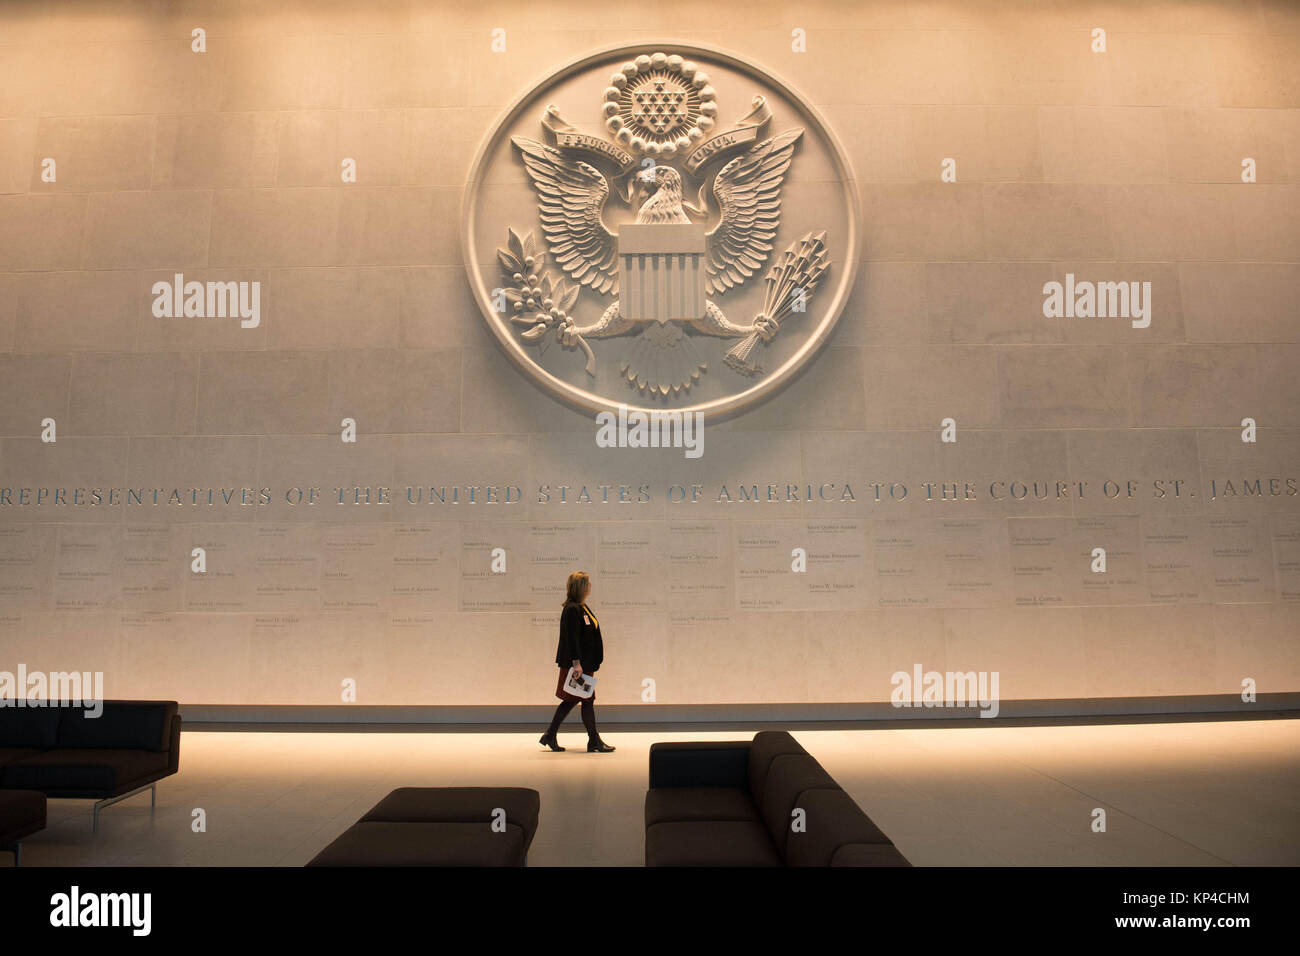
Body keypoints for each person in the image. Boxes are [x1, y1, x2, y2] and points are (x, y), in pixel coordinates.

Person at [539, 571, 615, 753]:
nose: (590, 587)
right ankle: (592, 740)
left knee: (577, 700)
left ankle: (552, 735)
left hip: (585, 664)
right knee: (580, 700)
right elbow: (571, 639)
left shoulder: (582, 607)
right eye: (588, 583)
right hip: (578, 666)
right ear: (581, 587)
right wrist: (576, 664)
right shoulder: (572, 609)